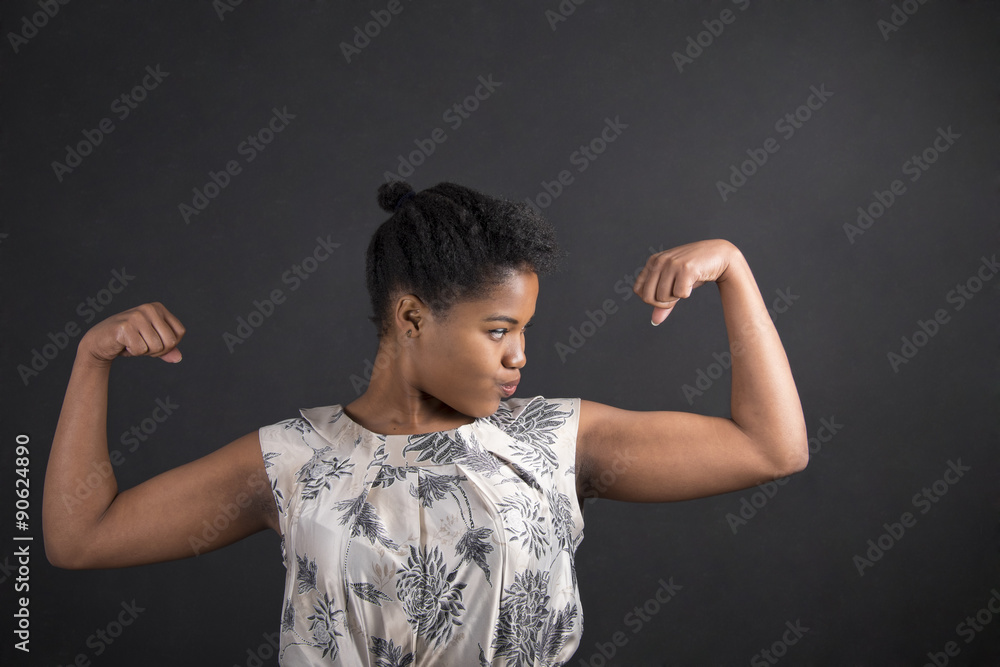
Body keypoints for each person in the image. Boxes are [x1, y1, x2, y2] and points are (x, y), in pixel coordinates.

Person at [42, 180, 809, 666]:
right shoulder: (295, 460)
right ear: (412, 316)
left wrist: (733, 271)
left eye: (525, 330)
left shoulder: (553, 442)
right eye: (499, 329)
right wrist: (90, 360)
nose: (520, 357)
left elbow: (772, 448)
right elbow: (81, 537)